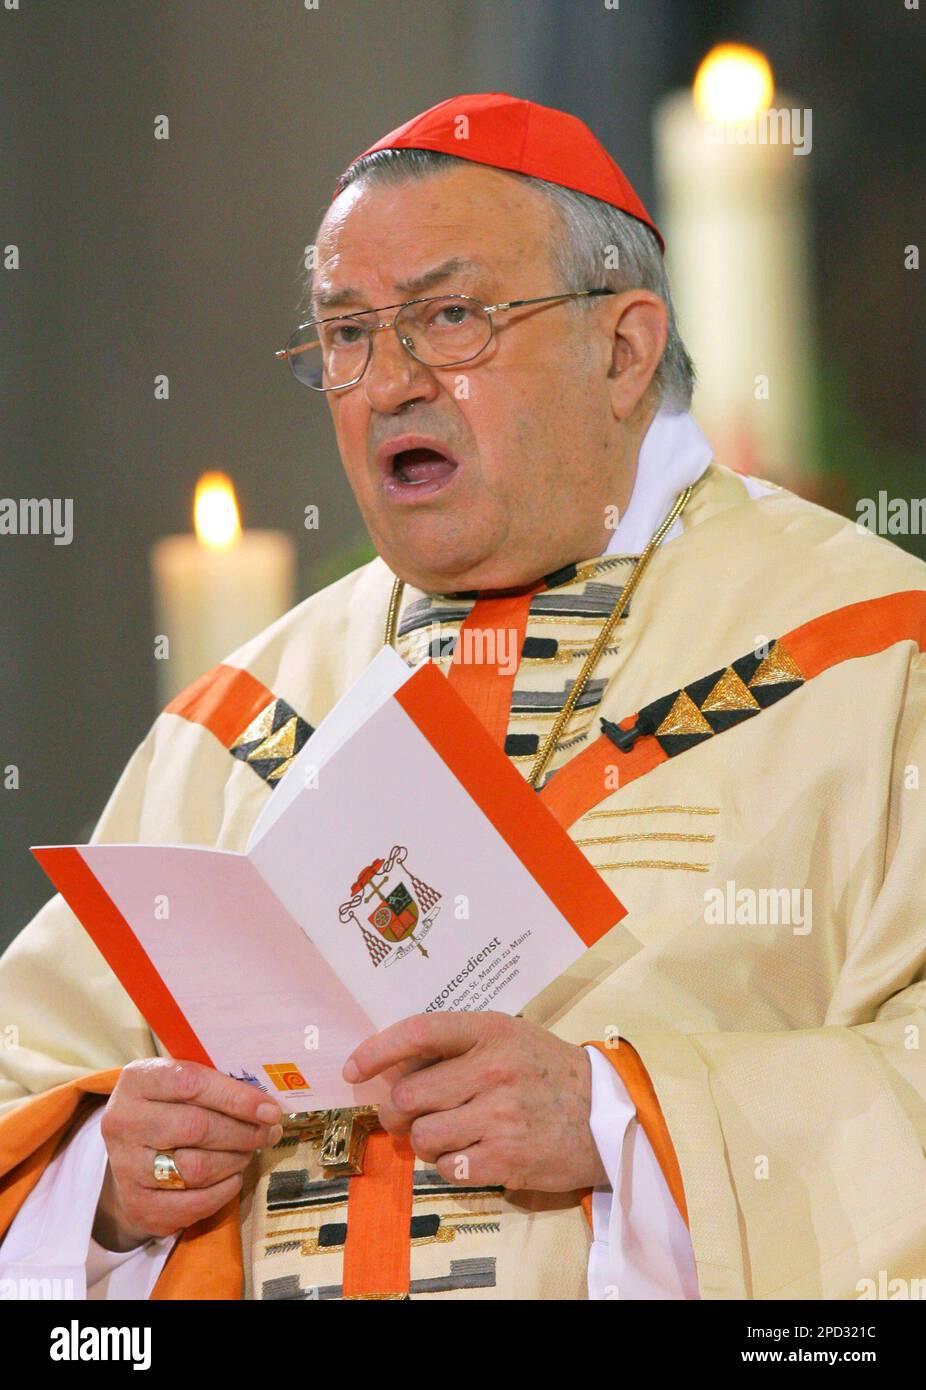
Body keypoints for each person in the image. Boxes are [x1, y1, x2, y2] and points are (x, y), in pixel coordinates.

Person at [1, 92, 924, 1302]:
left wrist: (623, 1118)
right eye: (344, 333)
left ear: (623, 348)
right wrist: (111, 1191)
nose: (387, 382)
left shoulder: (867, 657)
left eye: (448, 319)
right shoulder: (236, 725)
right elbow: (34, 1089)